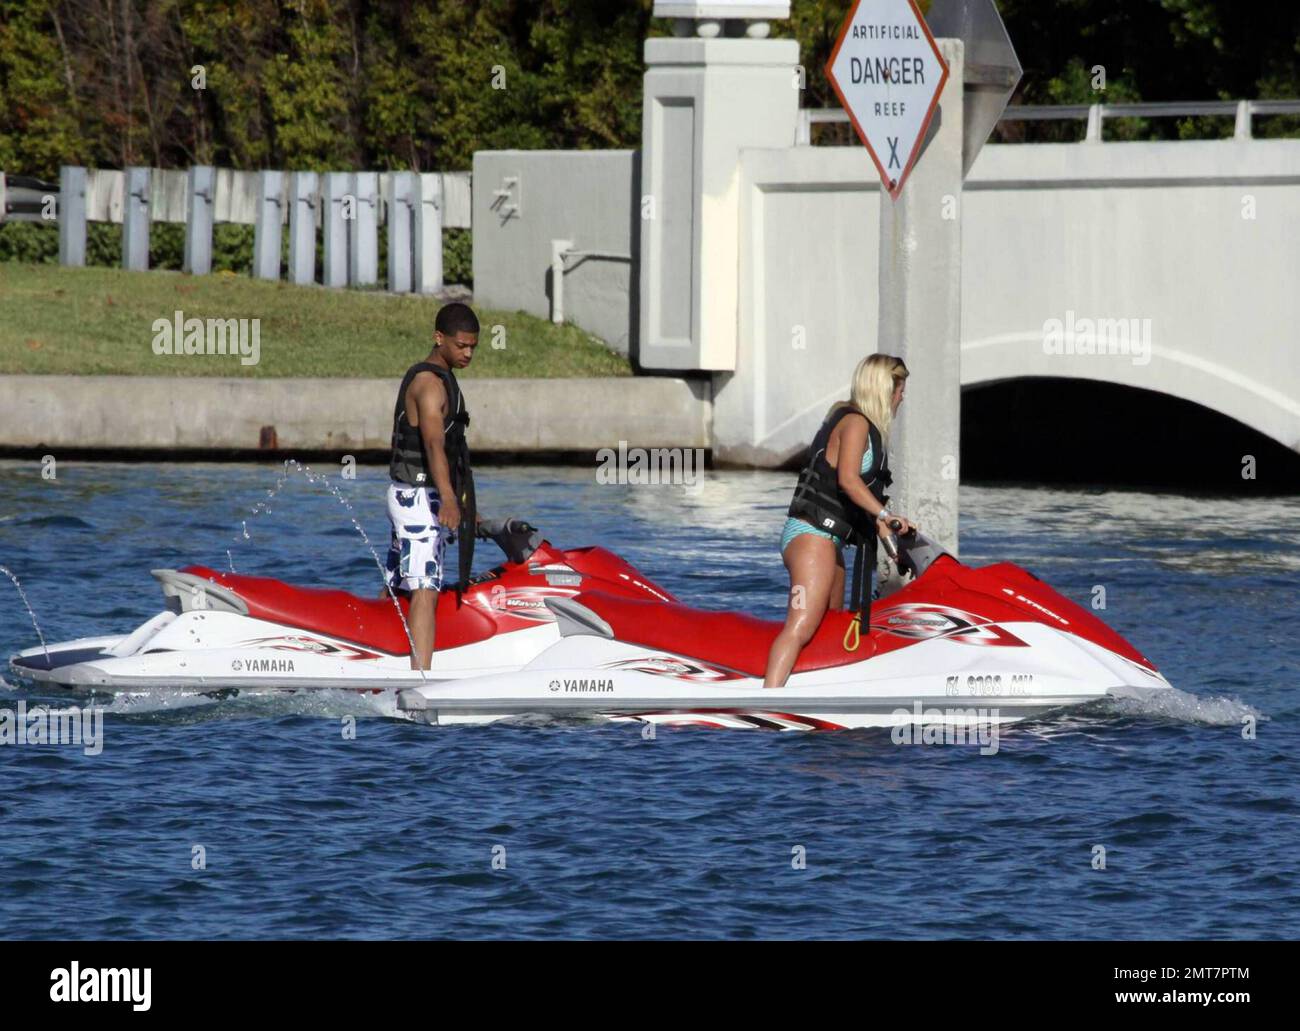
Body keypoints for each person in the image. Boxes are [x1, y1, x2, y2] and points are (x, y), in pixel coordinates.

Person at [763, 354, 916, 688]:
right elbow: (848, 480)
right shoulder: (856, 423)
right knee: (801, 625)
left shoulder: (862, 425)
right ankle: (767, 704)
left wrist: (889, 538)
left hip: (828, 541)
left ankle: (812, 692)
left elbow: (858, 497)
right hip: (810, 535)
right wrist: (885, 515)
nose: (902, 397)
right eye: (900, 389)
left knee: (830, 624)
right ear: (883, 389)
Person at [384, 302, 479, 670]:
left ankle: (371, 650)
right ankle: (420, 680)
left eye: (473, 346)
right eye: (461, 345)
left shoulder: (444, 379)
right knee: (425, 586)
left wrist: (461, 504)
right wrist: (450, 501)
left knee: (398, 583)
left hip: (420, 497)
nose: (468, 353)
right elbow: (434, 444)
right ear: (439, 339)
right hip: (417, 499)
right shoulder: (428, 385)